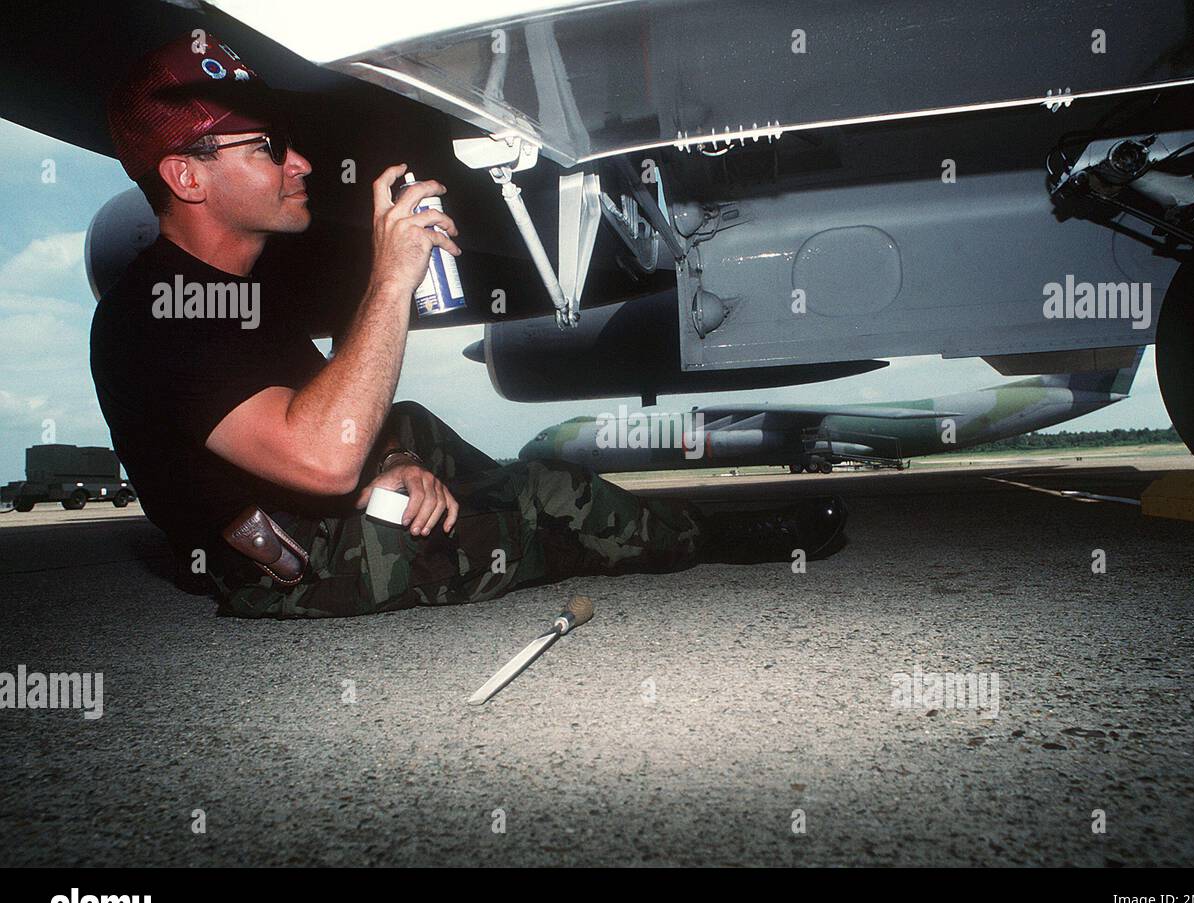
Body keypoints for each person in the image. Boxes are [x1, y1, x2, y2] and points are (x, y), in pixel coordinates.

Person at [90, 33, 846, 619]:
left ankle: (671, 527)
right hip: (282, 567)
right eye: (267, 149)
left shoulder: (243, 296)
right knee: (522, 529)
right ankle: (697, 541)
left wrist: (387, 462)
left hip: (319, 499)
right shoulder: (158, 314)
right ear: (187, 177)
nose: (302, 163)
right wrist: (391, 276)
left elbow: (325, 417)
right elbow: (319, 461)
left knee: (511, 467)